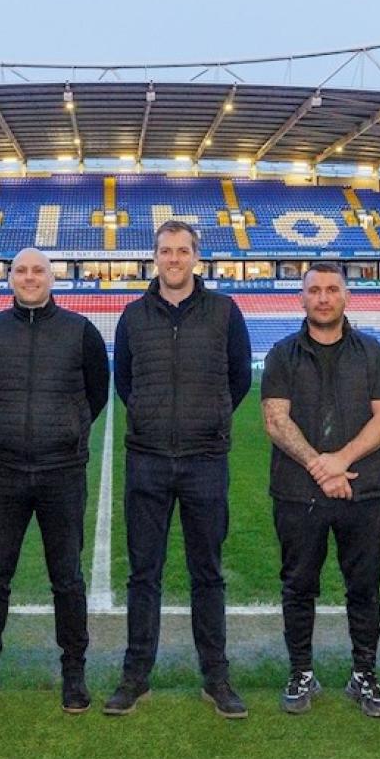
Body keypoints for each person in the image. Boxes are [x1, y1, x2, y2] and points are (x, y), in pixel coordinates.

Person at [105, 220, 254, 719]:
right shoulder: (132, 316)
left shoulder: (225, 313)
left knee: (207, 574)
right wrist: (152, 421)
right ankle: (135, 677)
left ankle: (216, 677)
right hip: (146, 460)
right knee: (143, 574)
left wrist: (206, 421)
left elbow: (238, 380)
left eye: (182, 251)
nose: (174, 259)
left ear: (196, 257)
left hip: (204, 462)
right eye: (166, 251)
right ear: (155, 257)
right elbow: (125, 380)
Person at [0, 248, 110, 715]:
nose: (29, 277)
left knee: (66, 577)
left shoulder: (80, 331)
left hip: (61, 473)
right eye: (21, 270)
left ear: (52, 277)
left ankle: (74, 673)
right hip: (3, 472)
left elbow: (97, 393)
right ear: (9, 278)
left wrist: (64, 433)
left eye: (38, 270)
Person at [260, 262, 380, 718]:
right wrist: (321, 468)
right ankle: (301, 671)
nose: (323, 298)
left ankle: (365, 674)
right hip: (298, 494)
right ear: (301, 298)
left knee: (365, 586)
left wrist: (339, 461)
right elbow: (276, 421)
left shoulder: (375, 353)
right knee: (299, 585)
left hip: (364, 491)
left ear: (346, 296)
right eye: (314, 290)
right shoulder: (282, 354)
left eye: (331, 289)